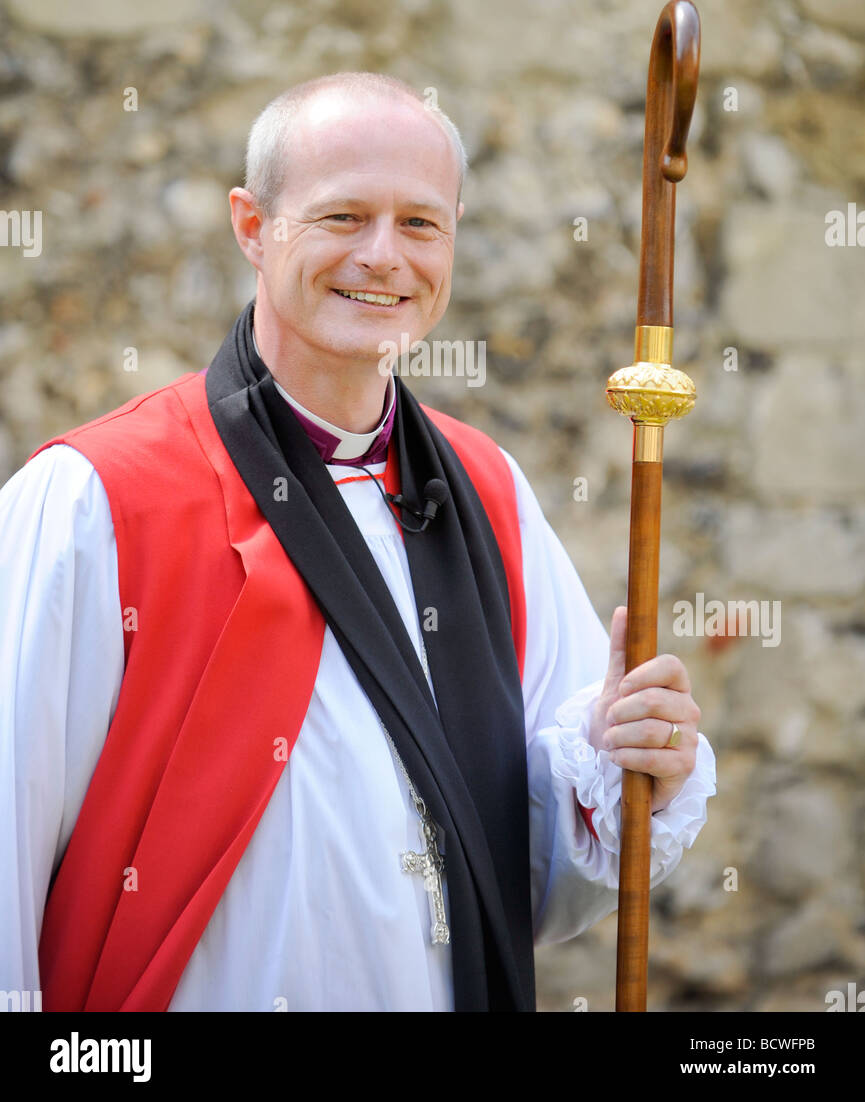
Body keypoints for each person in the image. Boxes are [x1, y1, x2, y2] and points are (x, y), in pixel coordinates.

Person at [0, 72, 715, 1013]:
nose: (383, 257)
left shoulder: (486, 492)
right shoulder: (96, 497)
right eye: (342, 217)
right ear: (253, 226)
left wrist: (622, 762)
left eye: (420, 224)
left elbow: (536, 878)